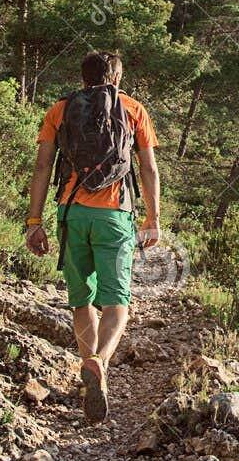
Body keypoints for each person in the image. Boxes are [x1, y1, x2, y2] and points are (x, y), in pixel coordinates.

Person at [25, 51, 161, 424]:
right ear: (116, 79)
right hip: (115, 214)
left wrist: (34, 220)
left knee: (82, 298)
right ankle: (100, 362)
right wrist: (152, 218)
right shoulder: (134, 109)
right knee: (117, 302)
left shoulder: (60, 110)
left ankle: (89, 364)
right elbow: (148, 168)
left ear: (82, 78)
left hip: (72, 213)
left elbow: (42, 166)